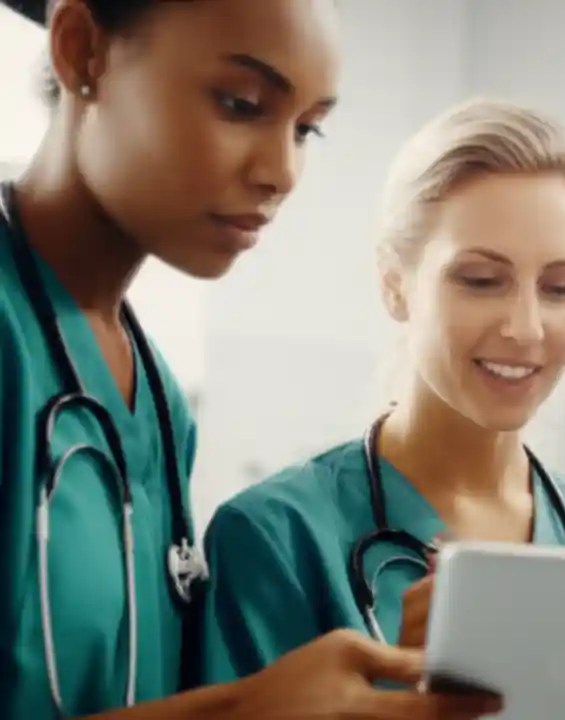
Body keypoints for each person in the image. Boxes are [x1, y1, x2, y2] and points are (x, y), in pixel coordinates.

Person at [0, 0, 502, 718]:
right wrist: (244, 710)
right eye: (241, 104)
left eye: (306, 128)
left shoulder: (160, 404)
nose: (283, 172)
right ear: (83, 51)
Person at [197, 98, 565, 682]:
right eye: (480, 280)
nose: (525, 327)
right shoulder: (278, 540)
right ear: (396, 285)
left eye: (561, 287)